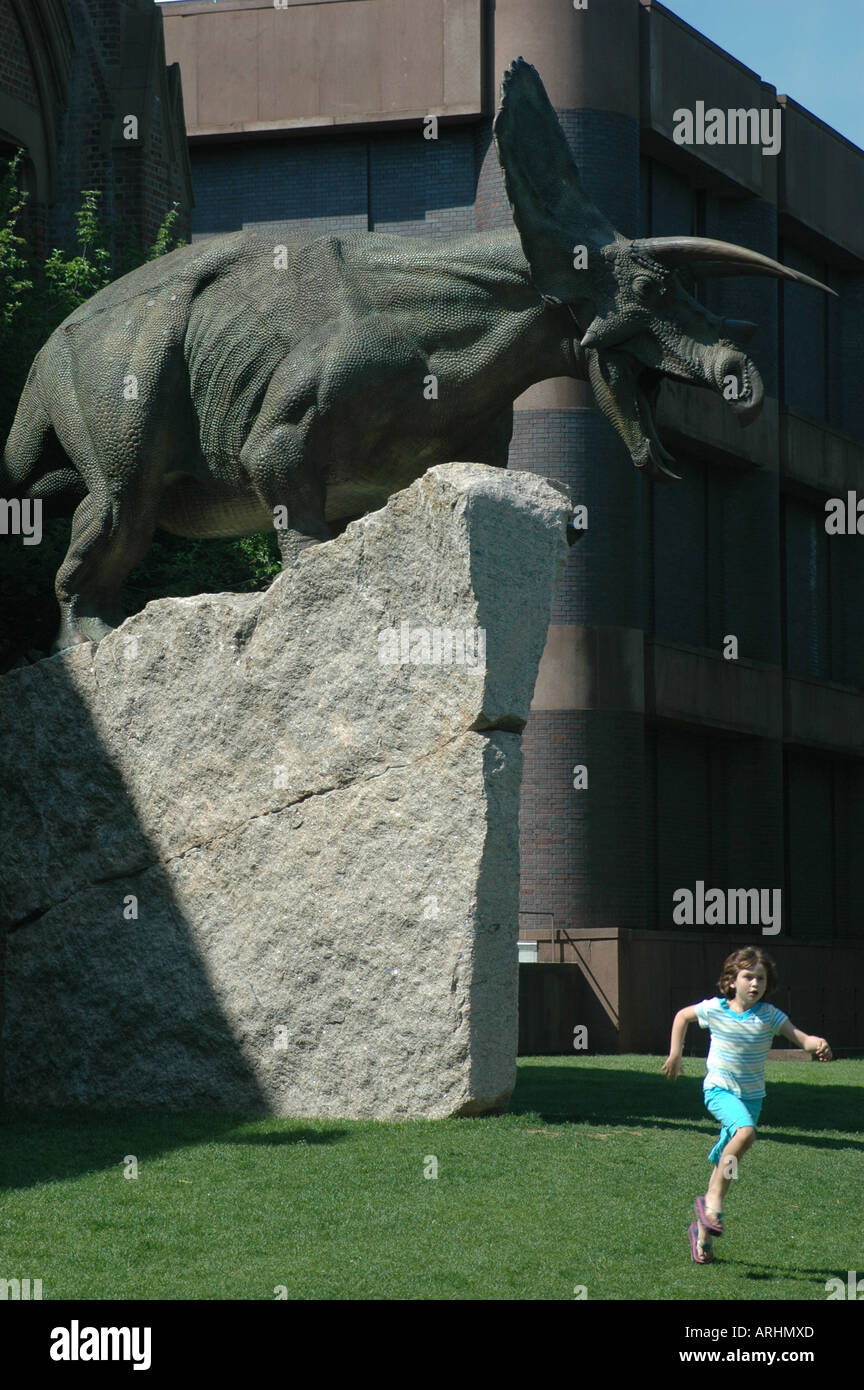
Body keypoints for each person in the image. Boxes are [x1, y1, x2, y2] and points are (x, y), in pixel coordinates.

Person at [662, 945, 832, 1264]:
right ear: (731, 981)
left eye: (761, 979)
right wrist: (675, 1054)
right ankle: (711, 1201)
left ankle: (702, 1232)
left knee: (730, 1159)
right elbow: (682, 1016)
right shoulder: (715, 1009)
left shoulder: (769, 1016)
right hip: (719, 1090)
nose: (755, 984)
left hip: (751, 1098)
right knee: (746, 1133)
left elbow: (799, 1037)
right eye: (748, 977)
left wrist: (816, 1044)